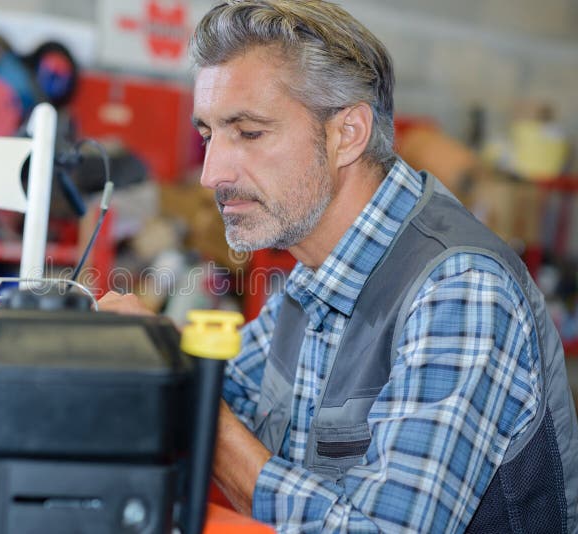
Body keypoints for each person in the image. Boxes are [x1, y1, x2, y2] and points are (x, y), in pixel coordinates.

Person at [100, 1, 578, 532]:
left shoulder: (460, 289)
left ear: (347, 133)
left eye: (249, 133)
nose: (212, 173)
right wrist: (148, 354)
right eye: (210, 134)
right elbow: (223, 387)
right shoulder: (313, 279)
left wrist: (198, 409)